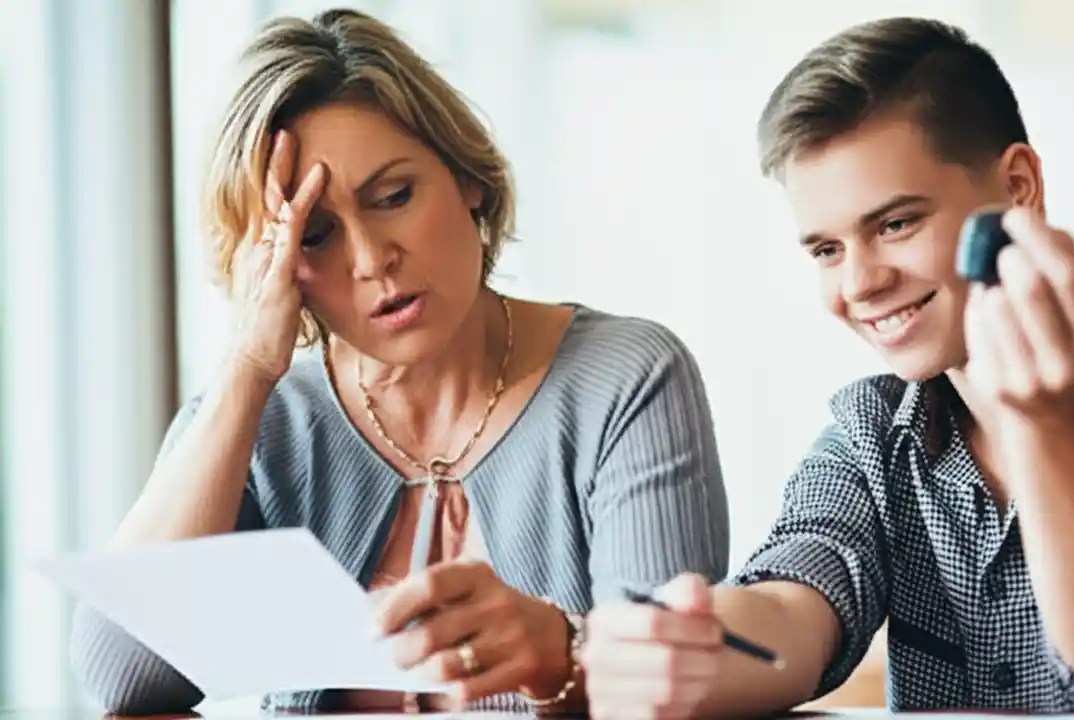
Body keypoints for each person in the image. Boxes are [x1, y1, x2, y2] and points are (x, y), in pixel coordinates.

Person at [583, 16, 1074, 717]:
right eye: (826, 250)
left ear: (1017, 187)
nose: (858, 284)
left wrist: (1054, 426)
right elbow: (797, 596)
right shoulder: (873, 430)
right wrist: (692, 644)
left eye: (895, 224)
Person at [68, 8, 729, 716]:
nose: (370, 258)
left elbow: (665, 688)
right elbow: (125, 678)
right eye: (315, 235)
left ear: (466, 176)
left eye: (393, 197)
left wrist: (557, 652)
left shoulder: (623, 379)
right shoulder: (265, 420)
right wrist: (245, 370)